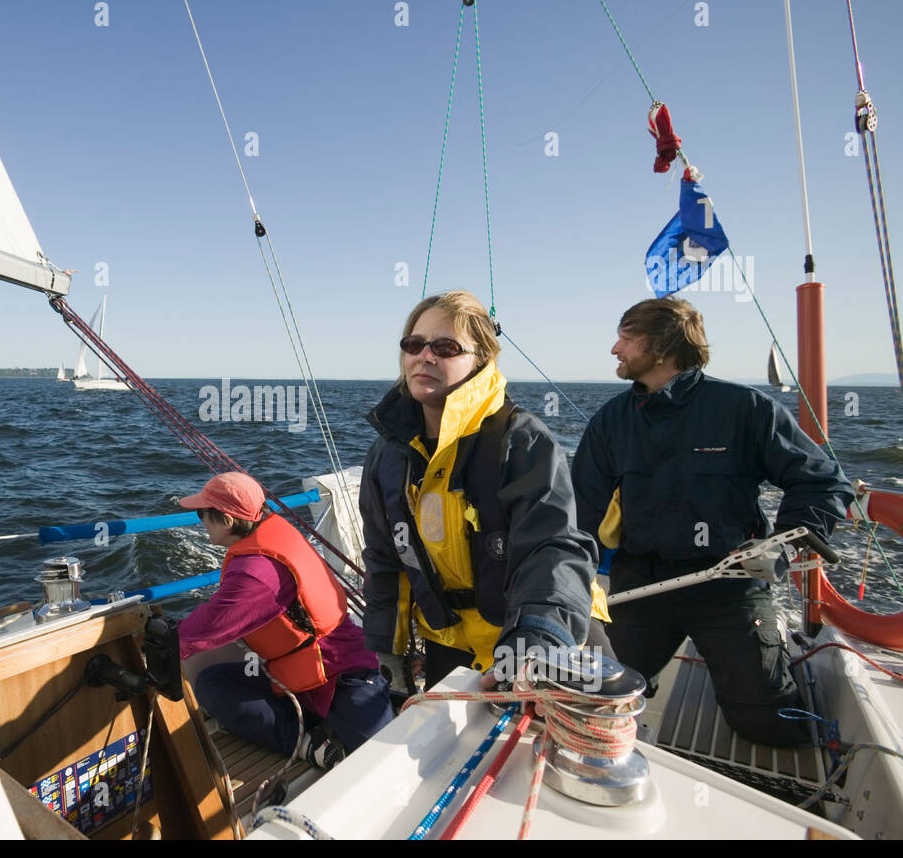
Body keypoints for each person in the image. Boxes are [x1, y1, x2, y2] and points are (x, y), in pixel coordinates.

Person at [571, 297, 854, 746]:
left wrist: (779, 543)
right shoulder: (612, 420)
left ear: (662, 346)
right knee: (594, 703)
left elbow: (822, 482)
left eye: (626, 337)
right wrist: (569, 579)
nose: (614, 349)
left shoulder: (745, 408)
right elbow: (580, 511)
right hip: (640, 586)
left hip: (730, 585)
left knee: (766, 725)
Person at [360, 290, 608, 692]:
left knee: (587, 741)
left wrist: (538, 642)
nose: (425, 355)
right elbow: (386, 561)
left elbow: (552, 546)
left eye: (445, 347)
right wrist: (387, 649)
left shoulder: (521, 441)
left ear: (482, 358)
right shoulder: (387, 457)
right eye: (414, 344)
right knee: (452, 752)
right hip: (451, 640)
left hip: (545, 629)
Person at [178, 472, 392, 769]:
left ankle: (315, 730)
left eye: (203, 514)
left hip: (342, 674)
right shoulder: (270, 532)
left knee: (380, 759)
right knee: (214, 683)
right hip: (293, 670)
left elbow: (202, 631)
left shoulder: (255, 574)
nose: (200, 522)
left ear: (226, 521)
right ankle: (309, 744)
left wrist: (159, 641)